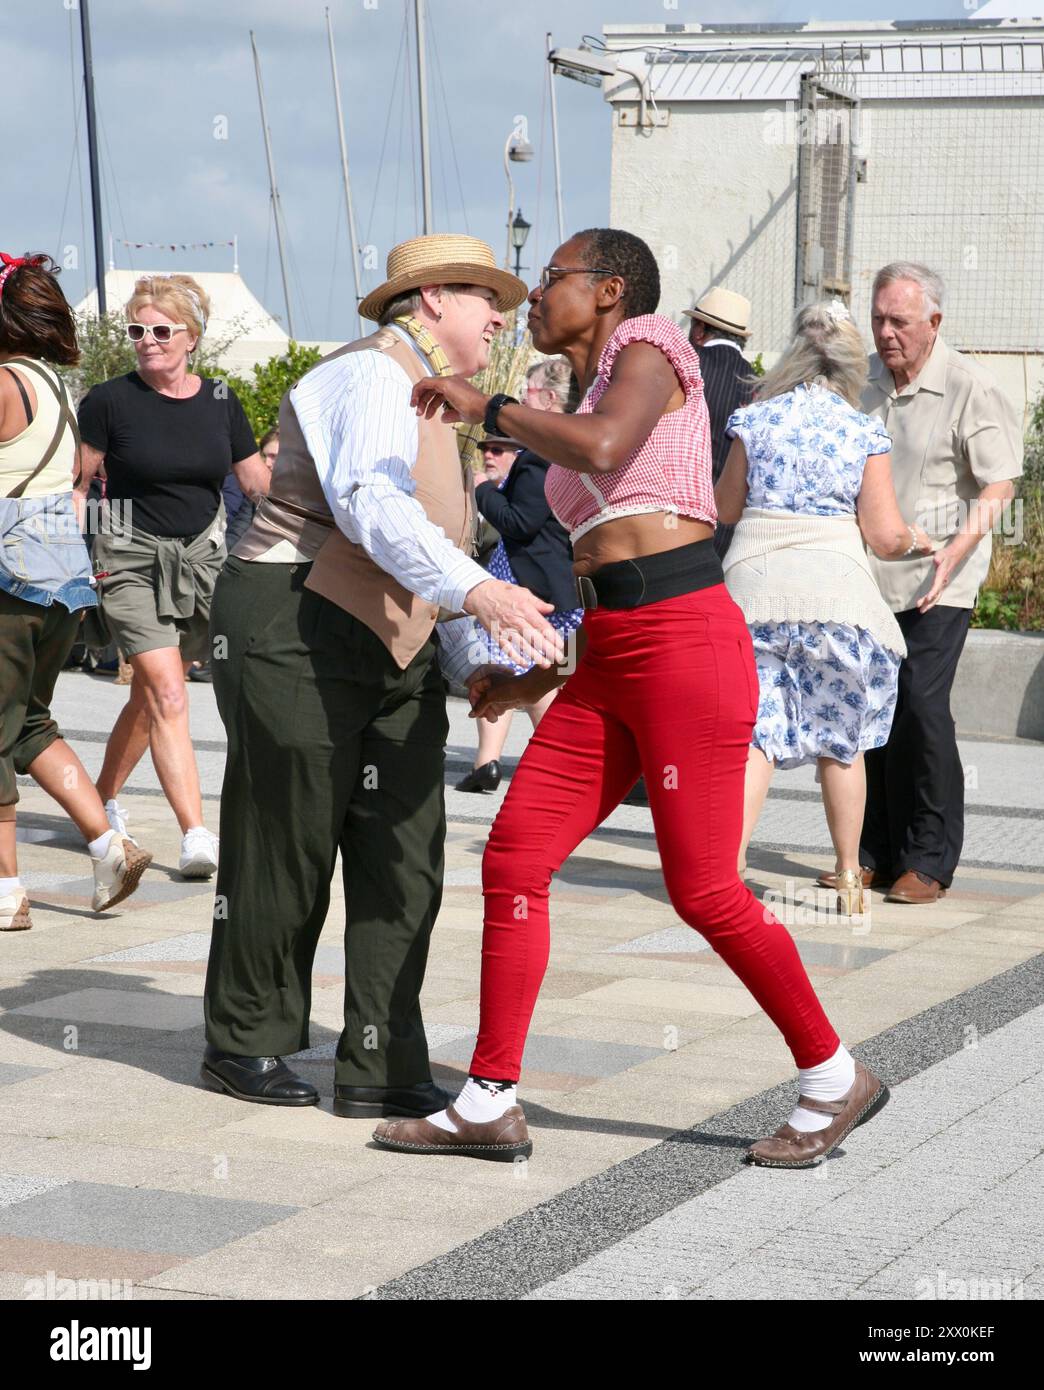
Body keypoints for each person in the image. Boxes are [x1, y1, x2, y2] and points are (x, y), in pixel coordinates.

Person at [373, 228, 890, 1169]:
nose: (534, 296)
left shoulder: (651, 345)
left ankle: (831, 1075)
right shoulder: (581, 389)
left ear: (609, 290)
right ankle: (490, 1098)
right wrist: (536, 674)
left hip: (689, 646)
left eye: (551, 280)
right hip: (611, 657)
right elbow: (605, 572)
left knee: (705, 891)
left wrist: (486, 404)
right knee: (517, 855)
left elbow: (610, 450)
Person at [200, 234, 563, 1119]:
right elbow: (370, 503)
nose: (502, 317)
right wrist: (480, 592)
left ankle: (380, 1060)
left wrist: (482, 642)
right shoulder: (367, 375)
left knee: (405, 850)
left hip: (388, 637)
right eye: (486, 298)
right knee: (285, 836)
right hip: (292, 613)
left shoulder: (445, 402)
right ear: (433, 298)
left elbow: (445, 535)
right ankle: (246, 1038)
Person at [714, 299, 934, 912]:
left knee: (753, 740)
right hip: (837, 600)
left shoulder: (754, 420)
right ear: (847, 365)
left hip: (753, 596)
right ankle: (847, 876)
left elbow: (725, 509)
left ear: (792, 351)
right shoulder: (862, 428)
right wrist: (923, 538)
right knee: (843, 744)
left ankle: (728, 874)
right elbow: (886, 536)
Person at [76, 274, 268, 879]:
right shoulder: (108, 400)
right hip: (128, 556)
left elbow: (259, 485)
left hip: (202, 561)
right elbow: (79, 489)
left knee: (151, 695)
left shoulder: (222, 399)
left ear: (191, 337)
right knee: (169, 691)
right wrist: (72, 565)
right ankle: (196, 834)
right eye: (137, 330)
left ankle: (101, 794)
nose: (147, 341)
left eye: (161, 330)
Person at [857, 263, 1022, 905]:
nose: (886, 332)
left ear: (934, 322)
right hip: (869, 576)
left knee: (921, 706)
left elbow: (1000, 486)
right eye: (878, 318)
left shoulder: (969, 386)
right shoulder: (862, 381)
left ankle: (929, 857)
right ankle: (873, 850)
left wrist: (957, 548)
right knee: (872, 705)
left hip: (939, 578)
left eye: (899, 320)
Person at [0, 252, 151, 930]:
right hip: (59, 584)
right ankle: (106, 842)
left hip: (8, 578)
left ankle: (6, 893)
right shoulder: (53, 386)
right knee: (28, 724)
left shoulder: (3, 380)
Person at [456, 362, 582, 793]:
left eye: (526, 392)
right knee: (537, 671)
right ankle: (492, 763)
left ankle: (529, 764)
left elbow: (519, 521)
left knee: (524, 670)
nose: (517, 402)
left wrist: (481, 489)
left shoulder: (537, 459)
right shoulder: (574, 447)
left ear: (548, 400)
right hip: (564, 588)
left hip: (537, 591)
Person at [190, 429, 280, 685]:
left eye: (274, 456)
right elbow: (238, 527)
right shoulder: (257, 495)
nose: (268, 462)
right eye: (266, 456)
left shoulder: (300, 492)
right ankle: (218, 660)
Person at [684, 287, 755, 559]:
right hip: (729, 529)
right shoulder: (758, 384)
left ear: (700, 329)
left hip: (676, 518)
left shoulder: (685, 365)